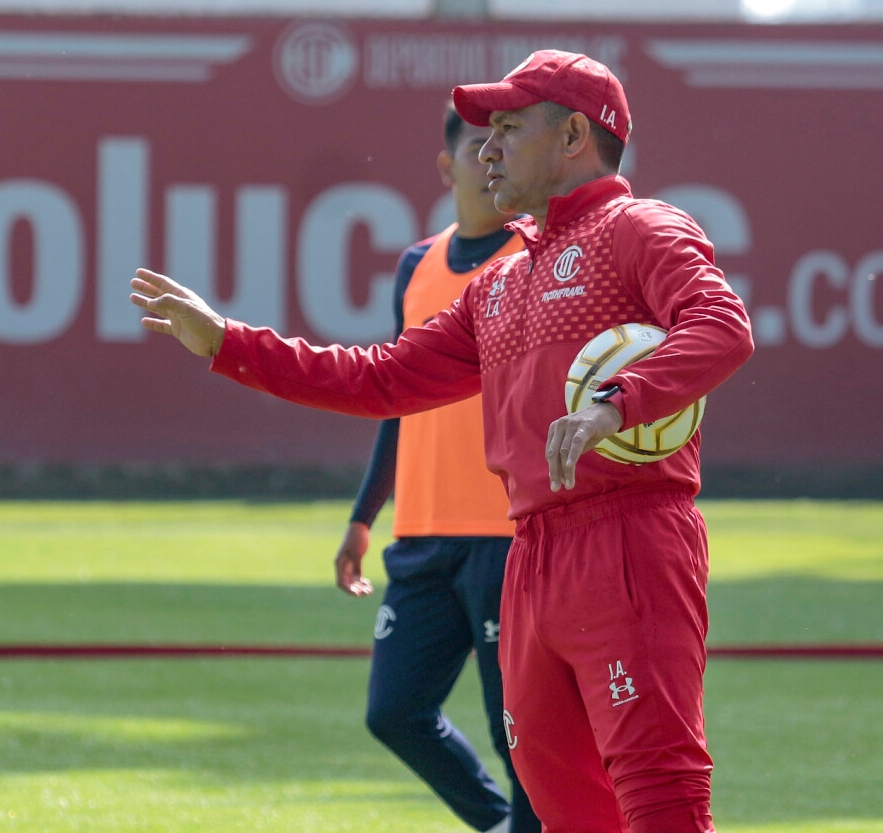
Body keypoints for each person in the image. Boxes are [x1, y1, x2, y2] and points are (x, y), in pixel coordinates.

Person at [131, 50, 754, 833]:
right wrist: (229, 343)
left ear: (571, 136)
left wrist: (614, 404)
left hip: (626, 541)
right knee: (565, 811)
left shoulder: (639, 228)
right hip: (530, 554)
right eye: (483, 134)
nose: (487, 148)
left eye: (507, 128)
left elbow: (721, 328)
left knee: (659, 800)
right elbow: (380, 380)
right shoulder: (498, 282)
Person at [336, 102, 538, 833]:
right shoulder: (416, 264)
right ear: (446, 166)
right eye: (477, 150)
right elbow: (397, 396)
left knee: (516, 734)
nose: (492, 162)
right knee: (394, 712)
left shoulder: (536, 258)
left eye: (504, 147)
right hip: (419, 536)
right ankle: (498, 825)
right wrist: (363, 517)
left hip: (506, 535)